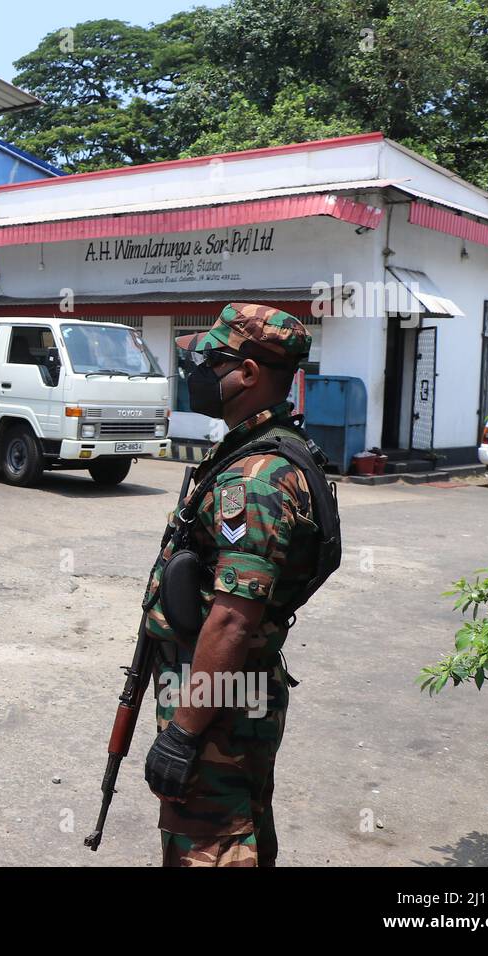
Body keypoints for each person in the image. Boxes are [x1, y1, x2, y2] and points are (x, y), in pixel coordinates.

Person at [137, 302, 334, 867]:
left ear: (248, 374)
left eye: (211, 361)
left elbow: (232, 616)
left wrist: (184, 730)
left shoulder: (256, 478)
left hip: (220, 696)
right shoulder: (260, 449)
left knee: (211, 843)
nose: (197, 373)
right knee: (239, 829)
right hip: (230, 685)